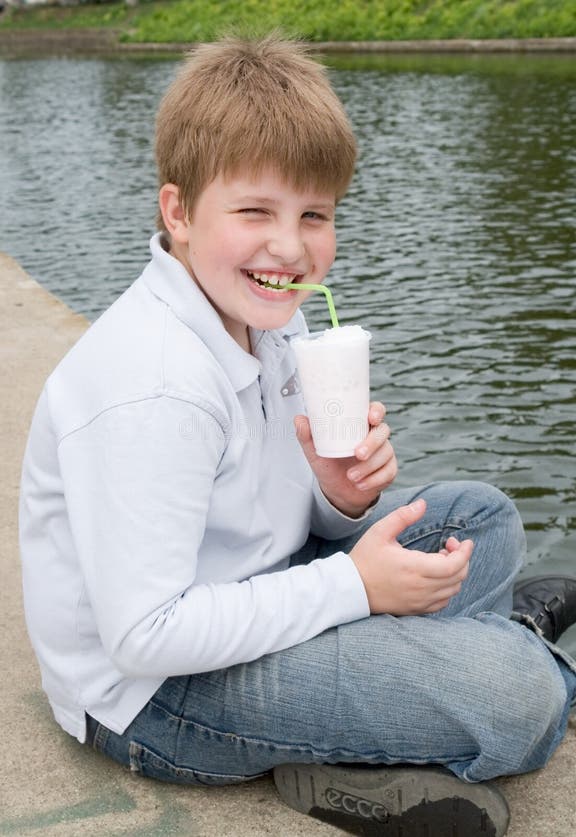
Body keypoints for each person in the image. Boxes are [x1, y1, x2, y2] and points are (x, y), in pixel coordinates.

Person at [19, 34, 576, 837]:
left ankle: (395, 707)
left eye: (314, 214)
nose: (291, 247)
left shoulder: (262, 316)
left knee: (480, 517)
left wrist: (339, 499)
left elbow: (264, 515)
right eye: (255, 212)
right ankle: (503, 654)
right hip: (157, 696)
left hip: (257, 590)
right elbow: (145, 634)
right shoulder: (153, 382)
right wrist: (355, 588)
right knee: (518, 695)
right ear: (177, 211)